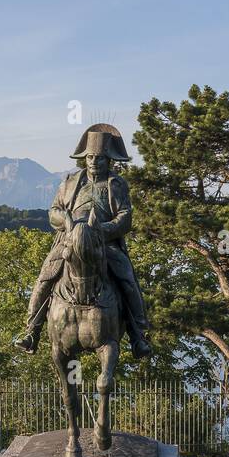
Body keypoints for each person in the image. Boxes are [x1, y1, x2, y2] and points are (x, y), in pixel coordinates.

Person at [13, 123, 151, 356]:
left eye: (98, 158)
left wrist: (100, 231)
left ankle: (139, 335)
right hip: (69, 241)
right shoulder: (69, 182)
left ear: (108, 159)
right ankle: (31, 330)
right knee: (45, 276)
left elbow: (125, 218)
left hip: (103, 243)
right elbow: (54, 211)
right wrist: (68, 224)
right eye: (89, 157)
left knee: (127, 279)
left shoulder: (115, 184)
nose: (93, 162)